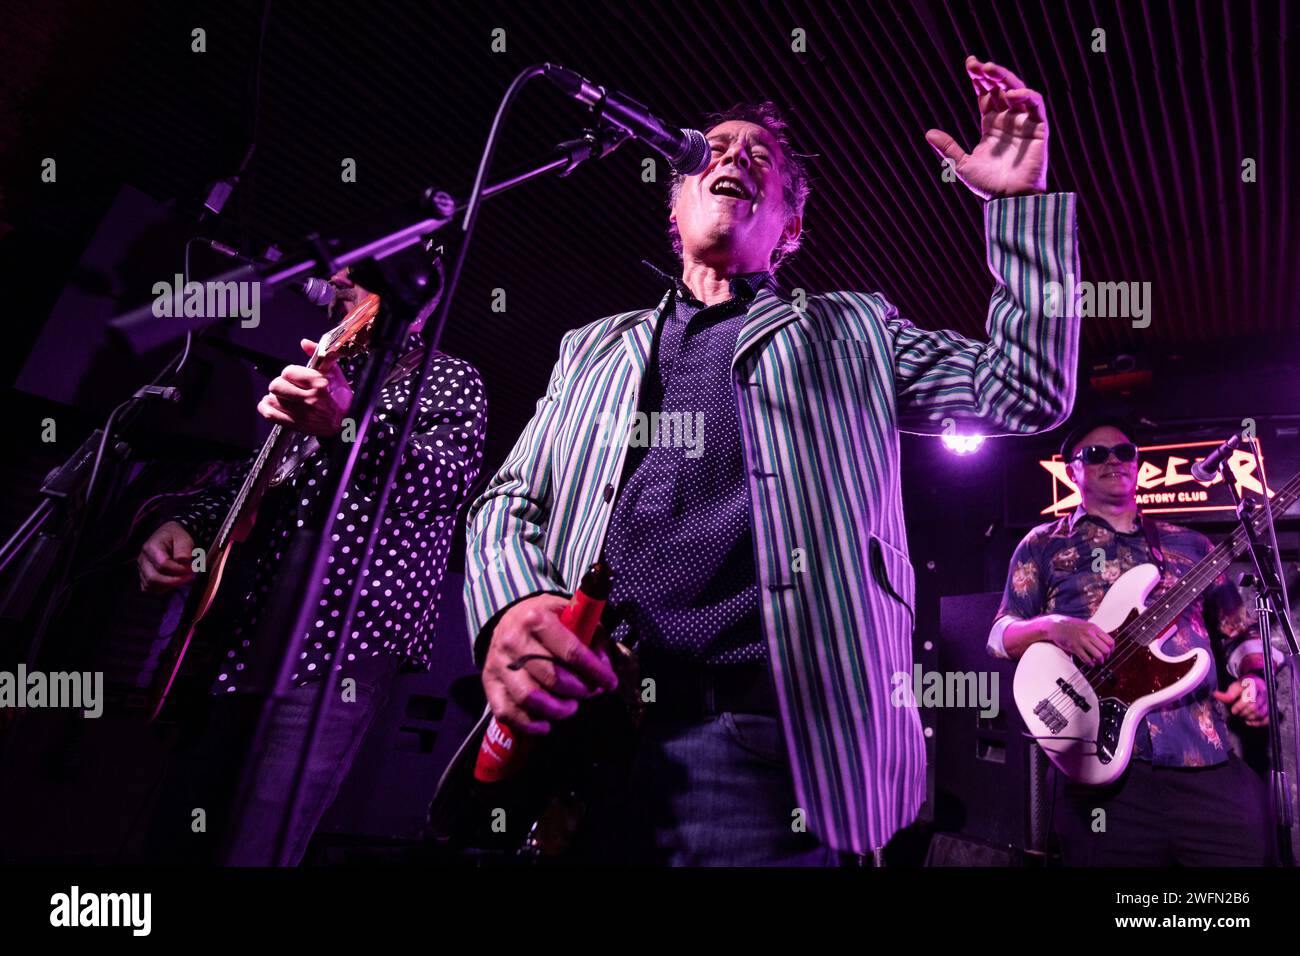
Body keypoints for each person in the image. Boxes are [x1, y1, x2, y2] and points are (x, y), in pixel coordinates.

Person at [464, 56, 1081, 864]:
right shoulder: (591, 349)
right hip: (577, 741)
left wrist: (1018, 209)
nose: (732, 158)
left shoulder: (853, 331)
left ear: (790, 229)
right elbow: (508, 502)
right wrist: (511, 609)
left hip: (758, 750)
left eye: (762, 160)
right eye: (715, 150)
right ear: (676, 205)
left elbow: (1025, 389)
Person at [137, 267, 486, 864]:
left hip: (343, 642)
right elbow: (258, 483)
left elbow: (443, 484)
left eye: (365, 272)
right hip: (240, 637)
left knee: (255, 844)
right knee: (177, 832)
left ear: (417, 301)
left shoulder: (447, 377)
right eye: (338, 270)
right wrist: (185, 526)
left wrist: (345, 424)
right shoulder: (323, 374)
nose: (340, 277)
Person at [989, 414, 1278, 865]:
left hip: (1203, 762)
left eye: (1124, 452)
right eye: (1096, 454)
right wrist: (1055, 628)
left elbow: (1240, 635)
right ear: (1073, 472)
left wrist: (1255, 681)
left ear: (1137, 464)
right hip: (1102, 776)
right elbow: (1000, 635)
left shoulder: (1191, 545)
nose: (1113, 461)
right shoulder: (1042, 544)